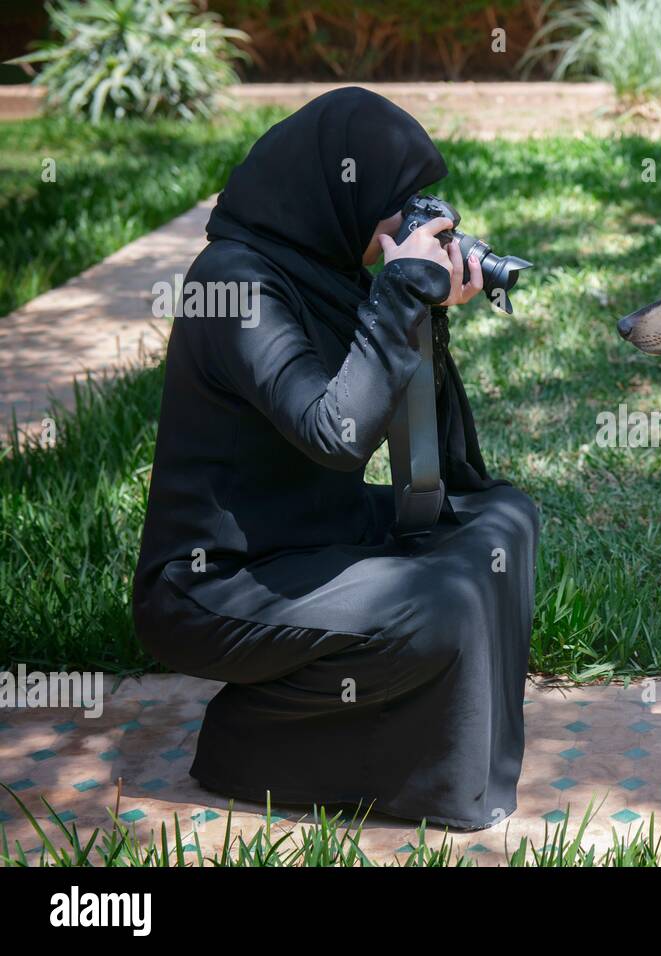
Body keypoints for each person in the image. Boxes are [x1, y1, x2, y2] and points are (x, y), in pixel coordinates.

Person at [132, 88, 538, 829]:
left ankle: (459, 759)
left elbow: (417, 441)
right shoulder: (232, 284)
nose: (408, 226)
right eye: (398, 208)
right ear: (336, 192)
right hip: (218, 578)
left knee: (501, 519)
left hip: (318, 526)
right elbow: (337, 433)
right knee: (438, 606)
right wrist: (399, 293)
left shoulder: (330, 266)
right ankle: (247, 746)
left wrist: (424, 311)